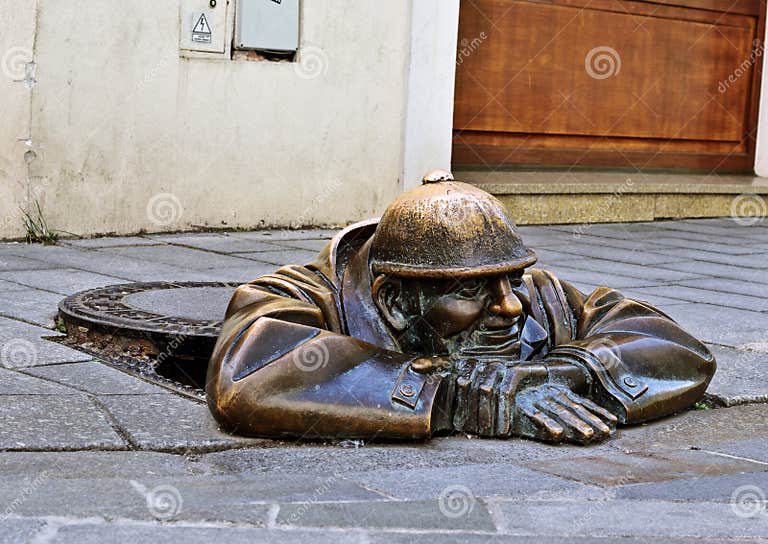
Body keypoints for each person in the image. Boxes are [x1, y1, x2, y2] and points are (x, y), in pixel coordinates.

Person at [206, 171, 715, 444]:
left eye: (511, 280)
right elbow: (246, 376)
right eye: (471, 292)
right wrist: (456, 396)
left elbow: (676, 345)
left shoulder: (534, 294)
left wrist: (567, 373)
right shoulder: (300, 295)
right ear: (394, 302)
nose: (512, 306)